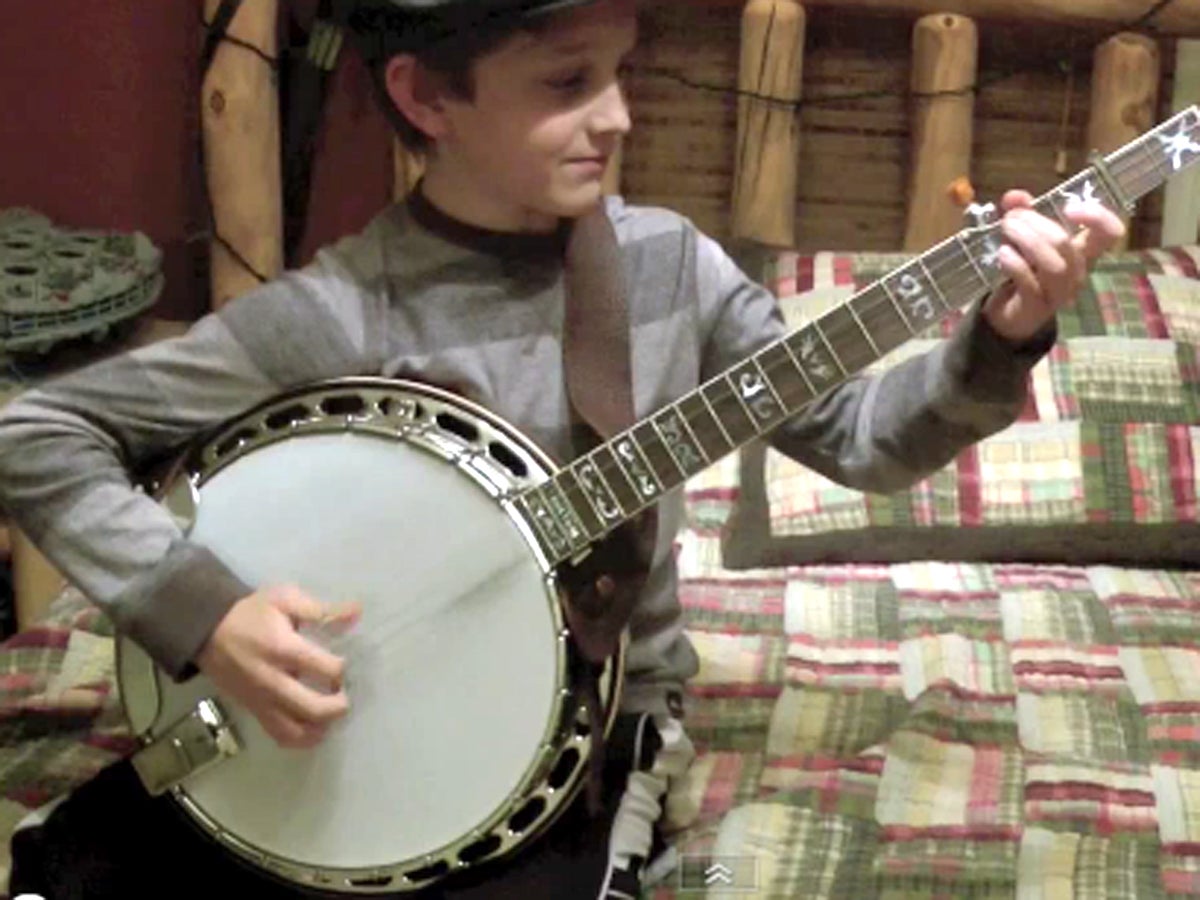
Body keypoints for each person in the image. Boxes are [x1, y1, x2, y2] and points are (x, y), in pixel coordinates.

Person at [0, 0, 1126, 897]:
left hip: (599, 729)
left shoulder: (671, 271)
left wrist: (1003, 335)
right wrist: (206, 612)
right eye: (565, 84)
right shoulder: (343, 310)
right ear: (427, 95)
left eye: (620, 73)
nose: (619, 117)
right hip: (366, 698)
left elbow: (863, 442)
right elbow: (34, 430)